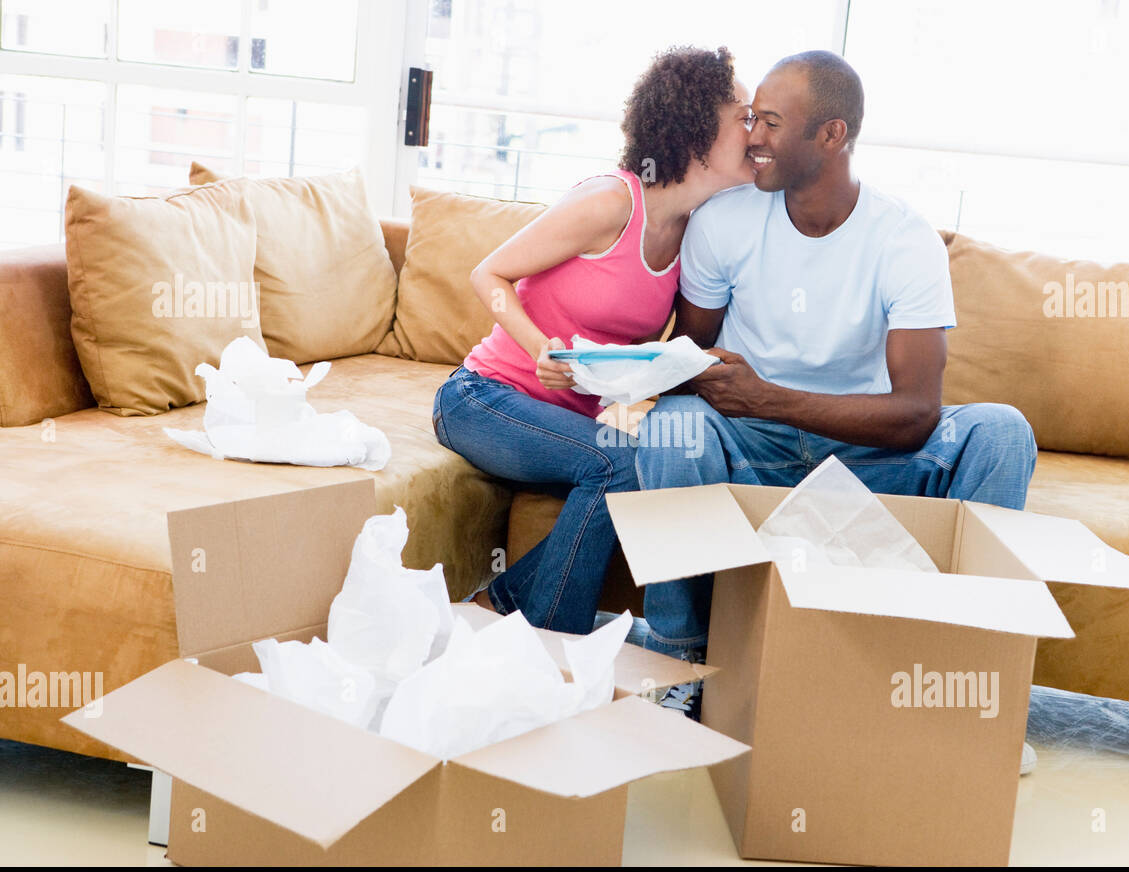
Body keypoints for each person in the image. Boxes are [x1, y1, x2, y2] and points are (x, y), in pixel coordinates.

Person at [636, 51, 1039, 772]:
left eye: (770, 121)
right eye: (750, 116)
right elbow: (687, 360)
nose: (751, 135)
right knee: (671, 426)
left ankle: (968, 681)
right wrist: (639, 368)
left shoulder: (901, 241)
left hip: (868, 457)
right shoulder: (725, 223)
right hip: (751, 446)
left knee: (1003, 432)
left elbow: (917, 415)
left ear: (831, 136)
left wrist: (770, 396)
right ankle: (678, 665)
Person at [432, 46, 757, 634]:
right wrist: (539, 348)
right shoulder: (610, 203)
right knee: (623, 463)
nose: (754, 126)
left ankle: (499, 604)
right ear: (699, 127)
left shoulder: (695, 231)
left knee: (643, 457)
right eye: (744, 112)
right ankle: (557, 639)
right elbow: (489, 274)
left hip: (573, 426)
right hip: (484, 399)